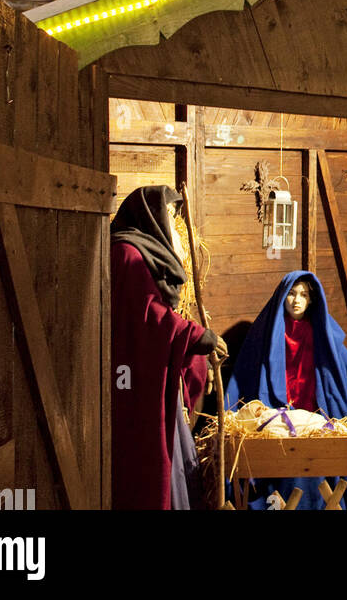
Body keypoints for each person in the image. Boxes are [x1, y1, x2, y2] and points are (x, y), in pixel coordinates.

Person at [110, 185, 225, 509]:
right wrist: (194, 335)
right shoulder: (127, 254)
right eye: (170, 216)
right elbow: (147, 317)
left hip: (154, 372)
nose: (173, 224)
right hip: (136, 378)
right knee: (154, 456)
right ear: (151, 216)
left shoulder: (140, 252)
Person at [225, 270, 347, 509]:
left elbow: (344, 374)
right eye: (291, 294)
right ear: (282, 297)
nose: (297, 300)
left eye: (303, 294)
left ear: (311, 300)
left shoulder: (323, 335)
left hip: (314, 423)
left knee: (315, 469)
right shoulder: (265, 336)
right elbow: (246, 377)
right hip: (279, 424)